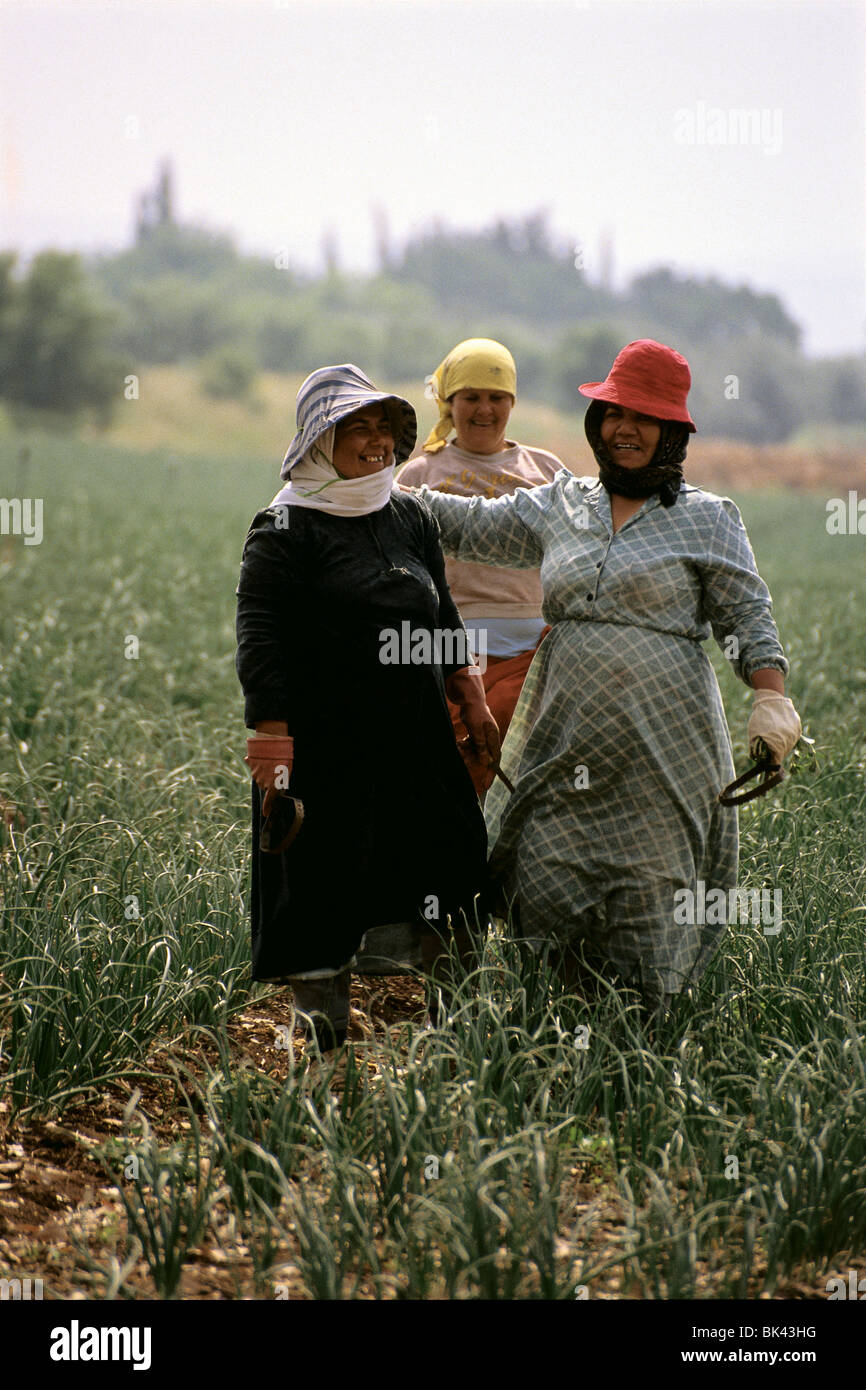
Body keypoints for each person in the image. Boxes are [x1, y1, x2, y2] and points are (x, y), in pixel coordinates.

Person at [405, 339, 803, 1012]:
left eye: (644, 419)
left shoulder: (707, 518)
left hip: (663, 751)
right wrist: (371, 494)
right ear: (597, 424)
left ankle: (641, 1040)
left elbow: (747, 617)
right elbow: (469, 525)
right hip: (565, 738)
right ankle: (556, 1031)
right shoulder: (562, 503)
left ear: (672, 433)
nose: (625, 429)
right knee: (550, 877)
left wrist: (771, 696)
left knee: (650, 889)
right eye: (615, 413)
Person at [235, 364, 499, 1049]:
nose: (377, 441)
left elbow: (441, 612)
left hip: (414, 740)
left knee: (455, 869)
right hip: (326, 750)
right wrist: (272, 741)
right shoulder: (286, 528)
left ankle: (458, 1052)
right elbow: (261, 635)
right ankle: (319, 1060)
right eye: (359, 428)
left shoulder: (406, 514)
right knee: (322, 888)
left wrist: (469, 696)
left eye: (385, 427)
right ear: (320, 439)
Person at [397, 338, 564, 797]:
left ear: (512, 402)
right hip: (449, 647)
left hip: (532, 650)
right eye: (470, 397)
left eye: (496, 397)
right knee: (450, 776)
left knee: (526, 777)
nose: (484, 409)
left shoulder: (547, 470)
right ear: (449, 403)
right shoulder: (416, 476)